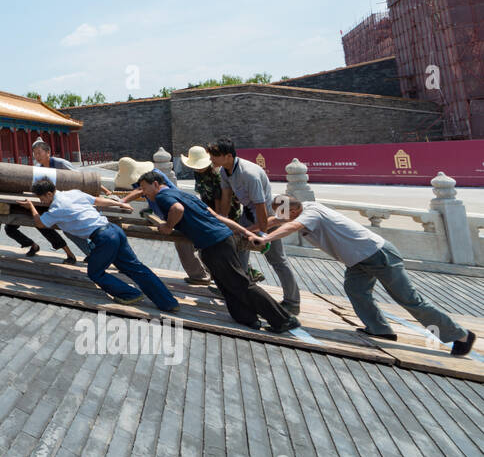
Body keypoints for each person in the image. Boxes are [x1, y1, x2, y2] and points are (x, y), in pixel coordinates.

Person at [253, 195, 477, 356]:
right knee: (355, 290)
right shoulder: (300, 208)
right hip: (358, 260)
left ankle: (461, 335)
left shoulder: (310, 214)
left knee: (409, 299)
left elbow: (291, 227)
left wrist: (265, 240)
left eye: (283, 213)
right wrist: (246, 230)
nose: (279, 217)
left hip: (378, 255)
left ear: (293, 210)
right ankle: (380, 329)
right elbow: (275, 222)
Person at [136, 171, 298, 332]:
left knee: (241, 284)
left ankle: (284, 319)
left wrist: (168, 226)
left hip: (214, 243)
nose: (143, 192)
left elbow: (177, 210)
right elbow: (217, 216)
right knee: (226, 285)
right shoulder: (186, 195)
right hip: (220, 240)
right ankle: (247, 318)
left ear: (156, 184)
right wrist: (245, 232)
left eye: (144, 187)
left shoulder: (161, 197)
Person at [24, 178, 179, 312]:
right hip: (114, 231)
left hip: (104, 238)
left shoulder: (57, 209)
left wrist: (31, 206)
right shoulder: (73, 193)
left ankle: (131, 294)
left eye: (41, 198)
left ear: (49, 194)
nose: (41, 201)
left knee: (95, 273)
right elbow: (97, 200)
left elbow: (40, 222)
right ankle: (169, 303)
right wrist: (120, 204)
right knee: (136, 268)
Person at [209, 137, 301, 316]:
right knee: (237, 254)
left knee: (277, 260)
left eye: (214, 155)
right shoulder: (225, 171)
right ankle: (238, 292)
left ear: (228, 156)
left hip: (267, 219)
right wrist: (222, 221)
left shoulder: (248, 173)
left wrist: (262, 233)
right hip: (247, 216)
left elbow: (260, 206)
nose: (211, 159)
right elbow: (226, 197)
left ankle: (292, 302)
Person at [111, 156, 213, 285]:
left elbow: (174, 207)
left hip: (179, 216)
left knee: (184, 243)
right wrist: (127, 202)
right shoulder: (145, 179)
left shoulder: (154, 177)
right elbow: (142, 192)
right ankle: (206, 273)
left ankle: (200, 277)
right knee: (193, 245)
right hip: (173, 213)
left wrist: (169, 225)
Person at [184, 144, 263, 283]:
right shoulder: (197, 173)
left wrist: (219, 218)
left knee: (230, 245)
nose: (198, 167)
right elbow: (204, 195)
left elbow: (220, 198)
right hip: (210, 211)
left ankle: (244, 274)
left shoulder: (216, 173)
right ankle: (244, 272)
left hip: (226, 212)